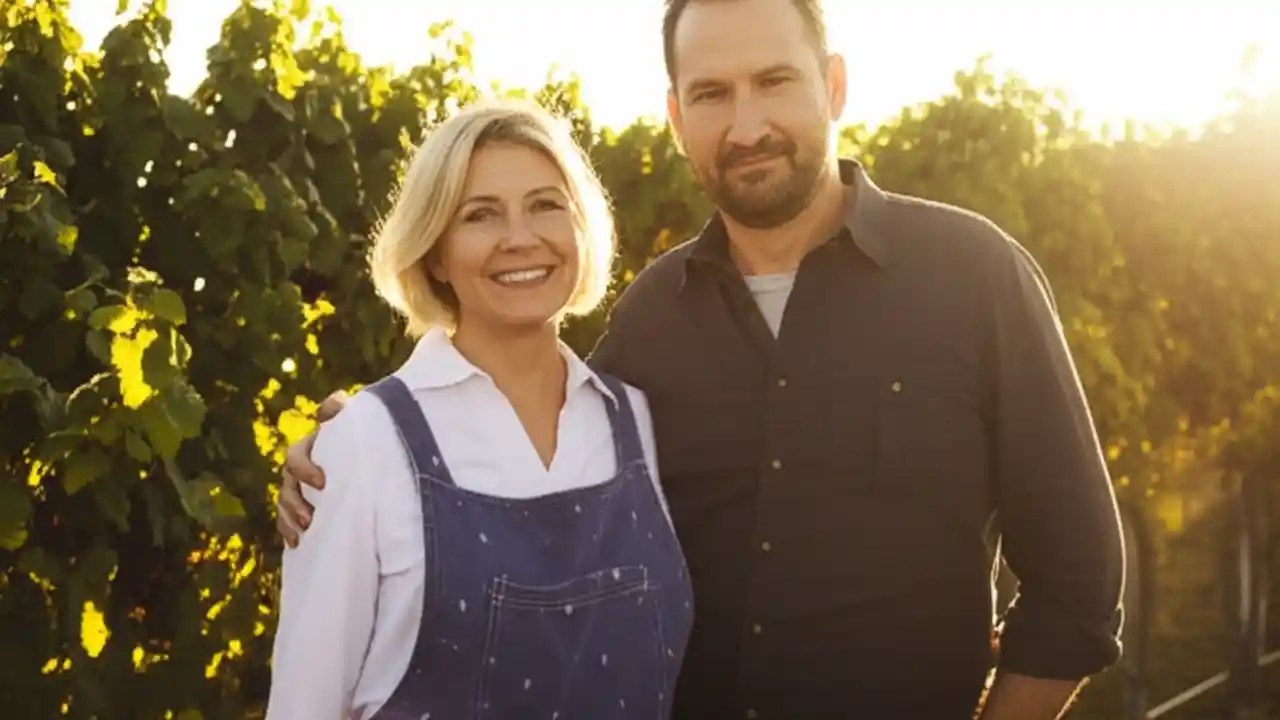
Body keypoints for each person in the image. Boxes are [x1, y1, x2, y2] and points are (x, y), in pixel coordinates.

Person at [275, 0, 1126, 717]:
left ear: (833, 86)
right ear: (678, 118)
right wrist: (365, 437)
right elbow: (530, 430)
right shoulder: (654, 319)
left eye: (774, 81)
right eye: (712, 93)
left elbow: (1079, 586)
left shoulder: (973, 278)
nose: (747, 125)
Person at [265, 100, 694, 720]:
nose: (520, 238)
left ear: (581, 229)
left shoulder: (635, 420)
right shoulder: (364, 442)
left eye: (546, 205)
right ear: (435, 253)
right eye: (480, 215)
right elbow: (304, 705)